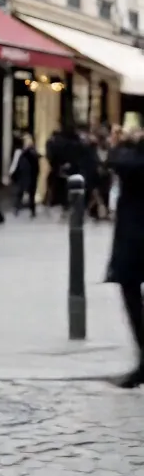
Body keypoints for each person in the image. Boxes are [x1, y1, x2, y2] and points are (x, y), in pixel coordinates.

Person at [107, 130, 144, 388]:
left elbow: (119, 161)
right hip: (133, 236)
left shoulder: (133, 158)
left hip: (136, 237)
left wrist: (123, 142)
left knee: (130, 290)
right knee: (130, 292)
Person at [11, 133, 39, 218]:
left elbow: (36, 164)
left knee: (30, 193)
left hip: (30, 174)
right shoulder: (20, 152)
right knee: (21, 192)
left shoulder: (32, 152)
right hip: (23, 174)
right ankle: (17, 208)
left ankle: (31, 210)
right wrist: (12, 172)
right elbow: (15, 162)